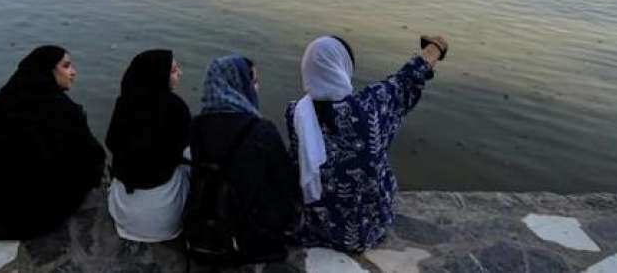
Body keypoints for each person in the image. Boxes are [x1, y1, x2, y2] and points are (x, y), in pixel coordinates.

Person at [285, 35, 448, 253]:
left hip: (312, 226)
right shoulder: (370, 107)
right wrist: (435, 48)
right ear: (343, 68)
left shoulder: (296, 113)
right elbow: (406, 80)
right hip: (364, 231)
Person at [0, 45, 106, 241]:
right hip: (28, 221)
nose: (73, 72)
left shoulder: (4, 101)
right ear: (49, 70)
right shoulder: (64, 111)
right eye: (66, 66)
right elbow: (91, 160)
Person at [188, 55, 299, 263]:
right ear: (238, 85)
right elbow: (286, 184)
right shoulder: (261, 129)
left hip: (203, 231)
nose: (256, 88)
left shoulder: (196, 125)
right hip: (250, 238)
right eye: (253, 82)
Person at [105, 49, 192, 242]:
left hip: (124, 213)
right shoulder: (176, 107)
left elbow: (111, 141)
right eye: (174, 70)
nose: (180, 74)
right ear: (159, 76)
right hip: (164, 220)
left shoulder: (124, 103)